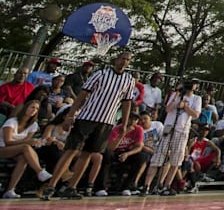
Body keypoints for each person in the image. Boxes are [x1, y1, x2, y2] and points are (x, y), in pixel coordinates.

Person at [42, 51, 138, 200]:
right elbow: (83, 94)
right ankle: (51, 186)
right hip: (87, 117)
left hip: (106, 121)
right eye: (122, 58)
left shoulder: (129, 80)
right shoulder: (101, 74)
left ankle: (71, 187)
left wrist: (124, 123)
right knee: (71, 151)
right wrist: (70, 115)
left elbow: (126, 103)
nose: (124, 62)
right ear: (116, 59)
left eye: (127, 60)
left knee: (88, 154)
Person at [144, 80, 202, 195]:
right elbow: (168, 109)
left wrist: (185, 106)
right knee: (159, 156)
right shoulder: (176, 95)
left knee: (176, 159)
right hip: (169, 128)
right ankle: (147, 185)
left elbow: (195, 114)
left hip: (182, 130)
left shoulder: (196, 99)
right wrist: (176, 95)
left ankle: (167, 185)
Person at [1, 99, 54, 198]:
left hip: (17, 150)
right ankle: (40, 171)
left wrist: (36, 142)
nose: (34, 110)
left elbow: (26, 141)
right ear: (25, 108)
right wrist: (28, 142)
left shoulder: (33, 125)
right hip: (3, 148)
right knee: (25, 147)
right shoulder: (12, 122)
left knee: (24, 158)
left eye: (36, 108)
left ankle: (10, 190)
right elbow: (8, 142)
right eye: (32, 107)